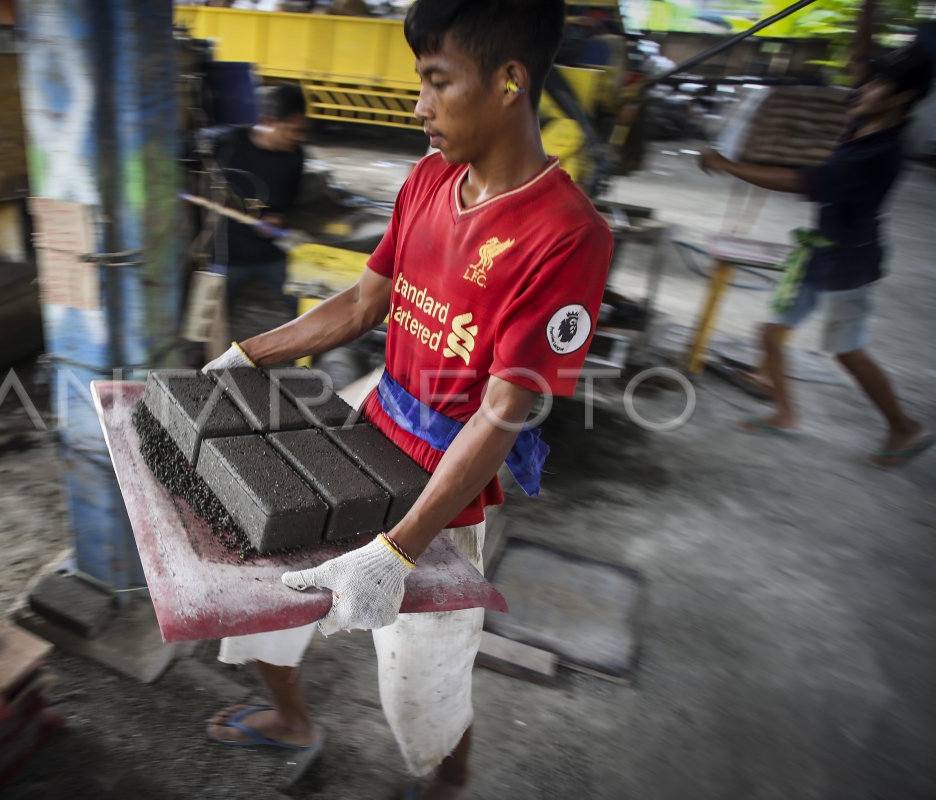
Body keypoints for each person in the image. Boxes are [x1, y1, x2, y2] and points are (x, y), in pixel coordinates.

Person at [201, 1, 613, 796]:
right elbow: (361, 307)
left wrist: (398, 549)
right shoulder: (428, 180)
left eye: (435, 81)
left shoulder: (568, 234)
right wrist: (245, 355)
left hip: (447, 486)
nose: (418, 104)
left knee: (421, 688)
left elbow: (503, 413)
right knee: (256, 594)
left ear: (509, 80)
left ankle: (447, 780)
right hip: (369, 430)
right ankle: (291, 717)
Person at [699, 1, 933, 468]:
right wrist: (867, 9)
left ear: (902, 97)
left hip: (850, 261)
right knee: (769, 333)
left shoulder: (878, 151)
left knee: (847, 350)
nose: (860, 89)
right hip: (820, 254)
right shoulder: (868, 118)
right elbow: (862, 59)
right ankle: (785, 411)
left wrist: (728, 167)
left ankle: (904, 427)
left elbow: (803, 182)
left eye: (875, 86)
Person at [204, 83, 307, 314]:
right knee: (208, 320)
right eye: (292, 129)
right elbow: (185, 150)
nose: (298, 137)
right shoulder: (227, 143)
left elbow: (290, 198)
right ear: (268, 122)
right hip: (227, 257)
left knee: (306, 306)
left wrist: (279, 217)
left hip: (272, 254)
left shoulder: (295, 156)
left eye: (301, 131)